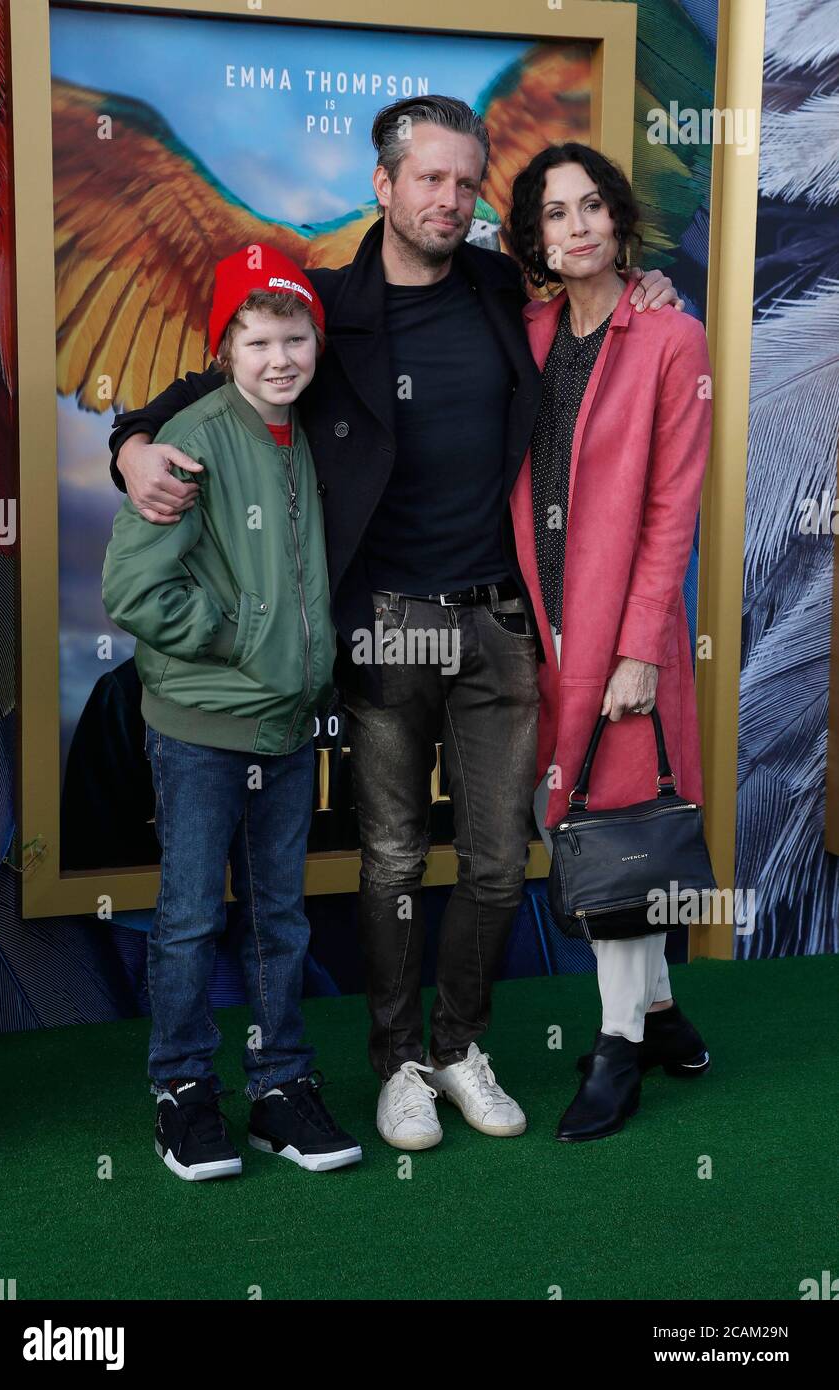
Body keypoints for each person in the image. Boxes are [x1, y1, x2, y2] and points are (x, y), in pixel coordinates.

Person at [107, 97, 681, 1152]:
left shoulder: (504, 287)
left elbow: (600, 320)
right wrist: (131, 443)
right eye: (429, 179)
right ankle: (395, 1064)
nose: (449, 201)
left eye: (466, 183)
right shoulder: (326, 307)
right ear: (383, 185)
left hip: (497, 621)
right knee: (388, 862)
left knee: (500, 861)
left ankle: (459, 1044)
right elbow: (210, 381)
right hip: (377, 626)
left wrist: (639, 285)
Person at [102, 244, 362, 1179]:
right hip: (203, 729)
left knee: (280, 918)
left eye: (294, 338)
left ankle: (280, 1088)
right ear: (225, 349)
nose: (279, 358)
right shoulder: (188, 440)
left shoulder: (313, 438)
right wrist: (251, 635)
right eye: (256, 341)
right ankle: (182, 1090)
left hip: (289, 729)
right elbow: (132, 589)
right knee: (186, 920)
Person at [506, 142, 712, 1142]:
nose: (576, 226)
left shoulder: (672, 337)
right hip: (540, 623)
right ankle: (663, 1018)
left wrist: (638, 646)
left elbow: (673, 506)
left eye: (591, 206)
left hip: (619, 625)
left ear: (617, 217)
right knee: (576, 819)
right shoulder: (527, 326)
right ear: (533, 235)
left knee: (618, 834)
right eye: (554, 213)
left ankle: (618, 1047)